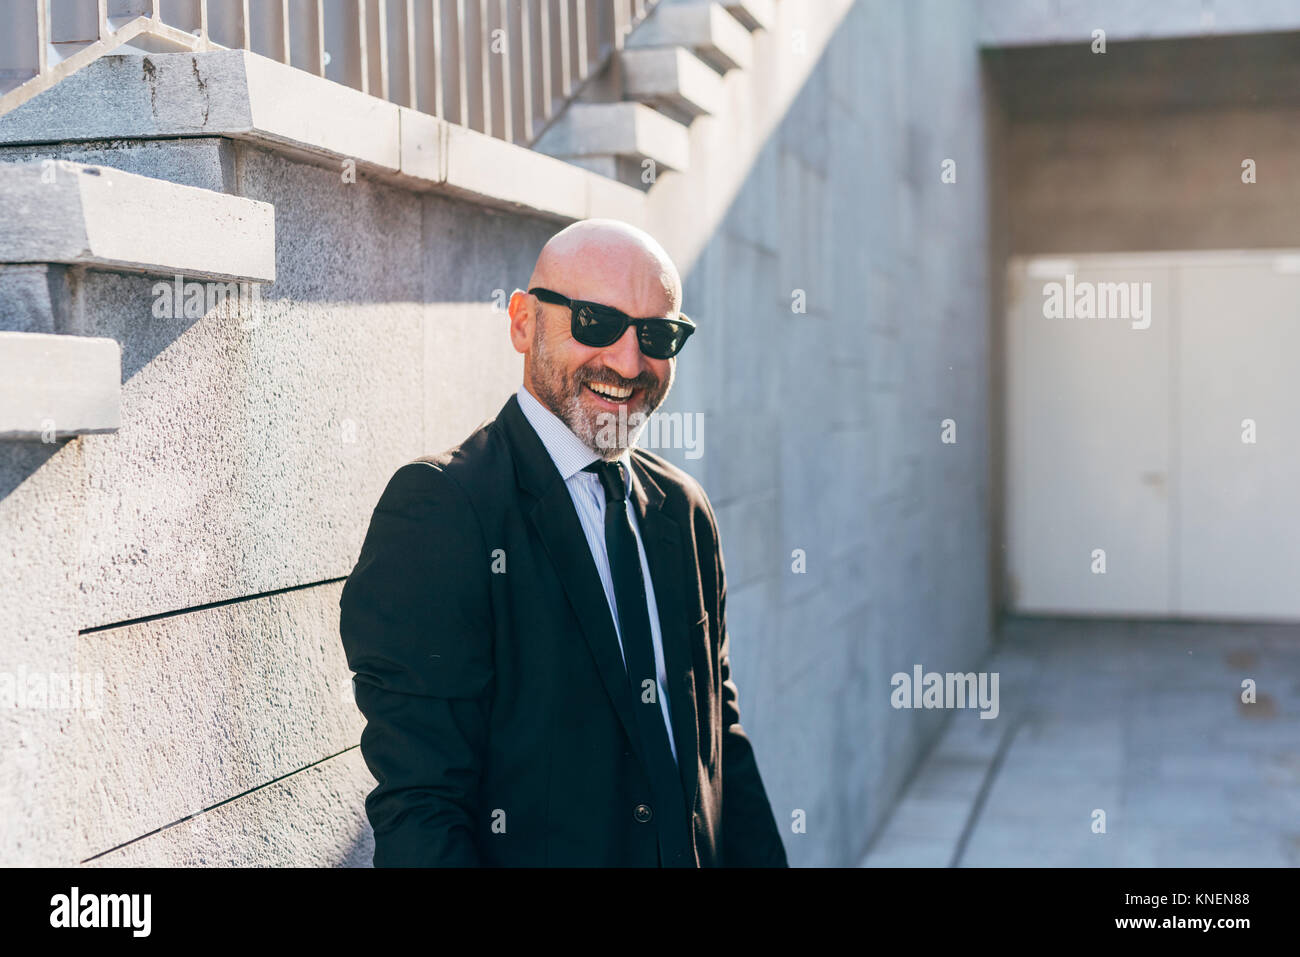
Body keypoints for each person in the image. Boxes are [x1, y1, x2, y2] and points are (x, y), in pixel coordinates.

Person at [339, 218, 787, 867]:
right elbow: (423, 808)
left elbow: (722, 741)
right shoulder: (443, 509)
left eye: (657, 335)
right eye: (596, 323)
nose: (628, 362)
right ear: (523, 322)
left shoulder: (684, 512)